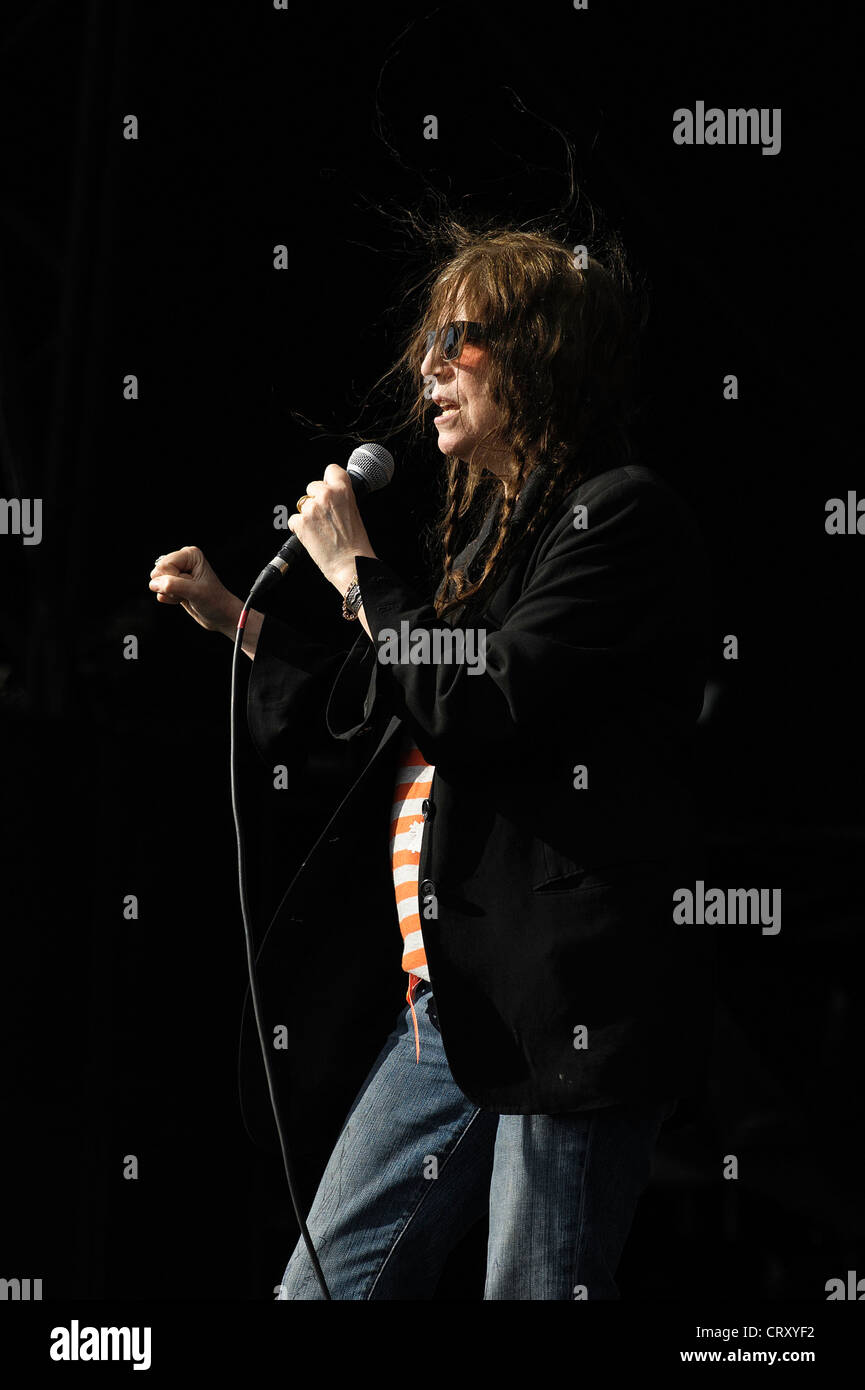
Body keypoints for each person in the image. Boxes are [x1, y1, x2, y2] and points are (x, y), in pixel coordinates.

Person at [148, 224, 714, 1300]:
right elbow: (383, 706)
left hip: (563, 1002)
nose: (426, 369)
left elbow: (477, 700)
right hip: (449, 1003)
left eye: (456, 340)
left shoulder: (619, 519)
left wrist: (360, 572)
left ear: (538, 351)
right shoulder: (487, 547)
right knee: (322, 1291)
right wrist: (237, 618)